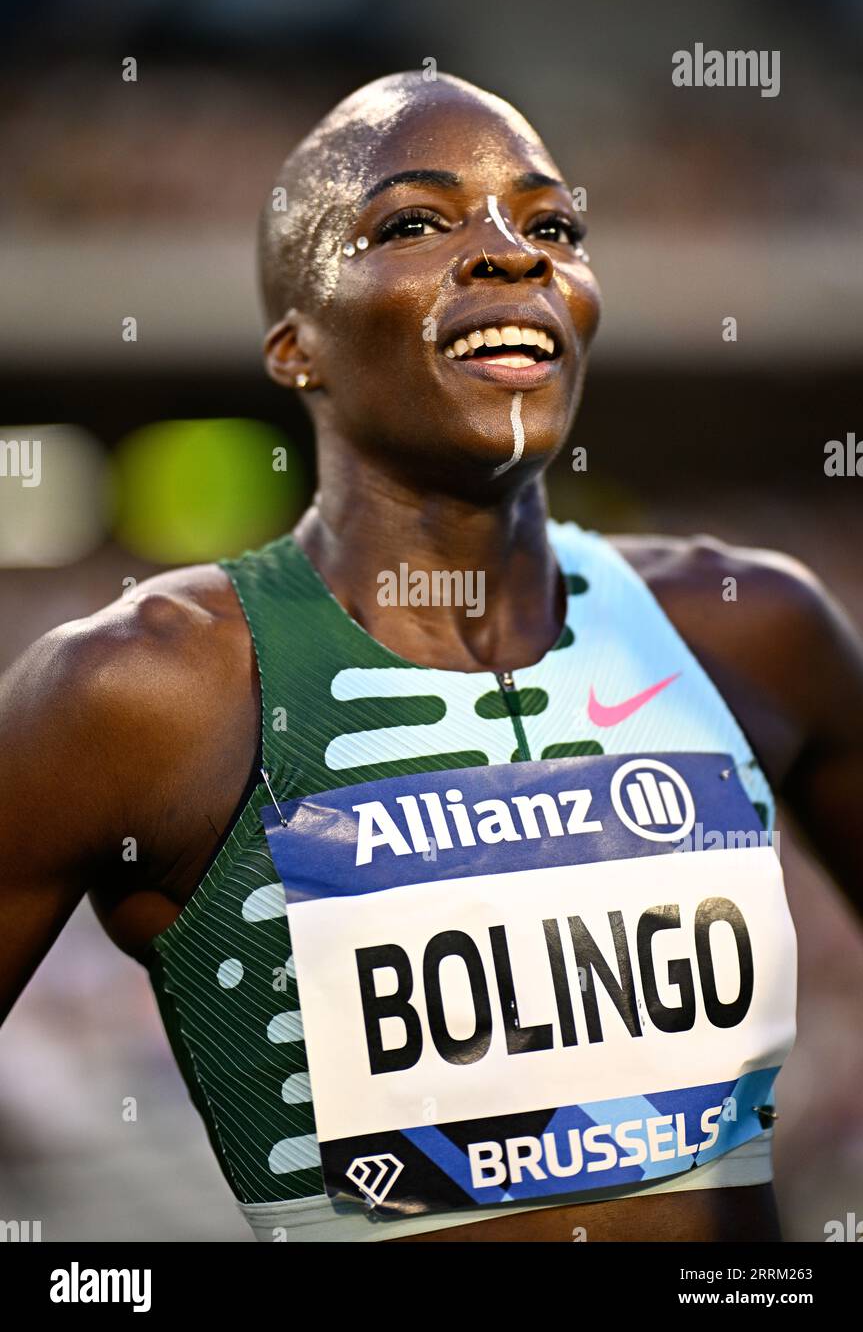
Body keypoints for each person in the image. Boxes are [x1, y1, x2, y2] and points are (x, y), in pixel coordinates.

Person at [1, 72, 861, 1244]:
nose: (512, 254)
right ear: (294, 344)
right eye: (413, 222)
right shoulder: (143, 691)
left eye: (551, 225)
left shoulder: (754, 628)